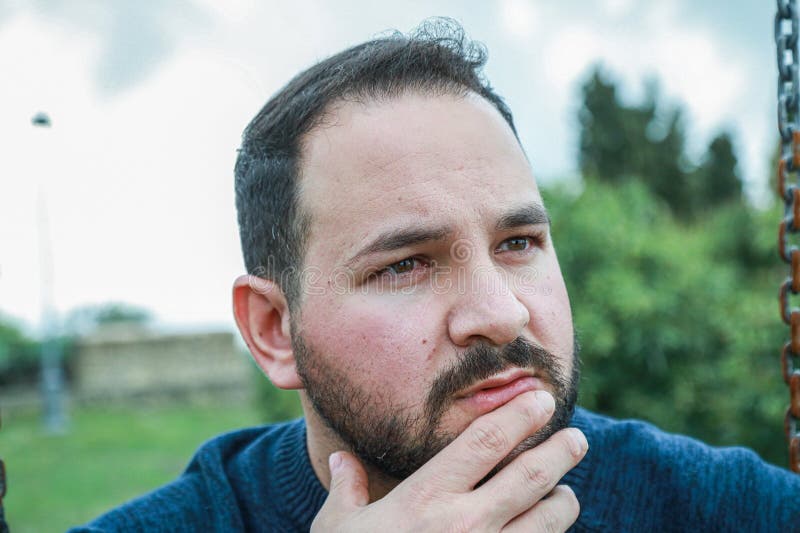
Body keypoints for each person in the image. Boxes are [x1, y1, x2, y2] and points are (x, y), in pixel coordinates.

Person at [71, 19, 800, 533]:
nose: (501, 313)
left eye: (518, 241)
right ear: (273, 329)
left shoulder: (718, 505)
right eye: (407, 264)